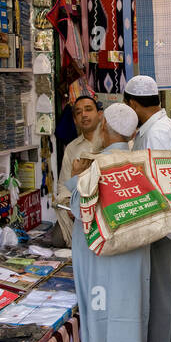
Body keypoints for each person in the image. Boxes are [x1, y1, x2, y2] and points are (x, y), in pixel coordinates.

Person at [69, 103, 151, 342]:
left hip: (105, 271)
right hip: (133, 267)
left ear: (104, 126)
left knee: (109, 328)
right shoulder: (139, 163)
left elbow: (80, 210)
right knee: (131, 321)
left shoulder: (96, 169)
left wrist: (76, 177)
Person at [124, 74, 171, 342]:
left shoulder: (155, 133)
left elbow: (160, 181)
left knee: (158, 288)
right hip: (165, 217)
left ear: (134, 104)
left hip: (158, 220)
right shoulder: (163, 126)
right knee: (165, 286)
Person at [54, 94, 105, 245]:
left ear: (99, 114)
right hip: (78, 209)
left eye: (88, 109)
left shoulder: (110, 141)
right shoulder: (72, 148)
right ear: (75, 120)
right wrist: (70, 206)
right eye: (78, 112)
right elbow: (63, 184)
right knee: (57, 239)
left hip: (104, 208)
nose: (84, 114)